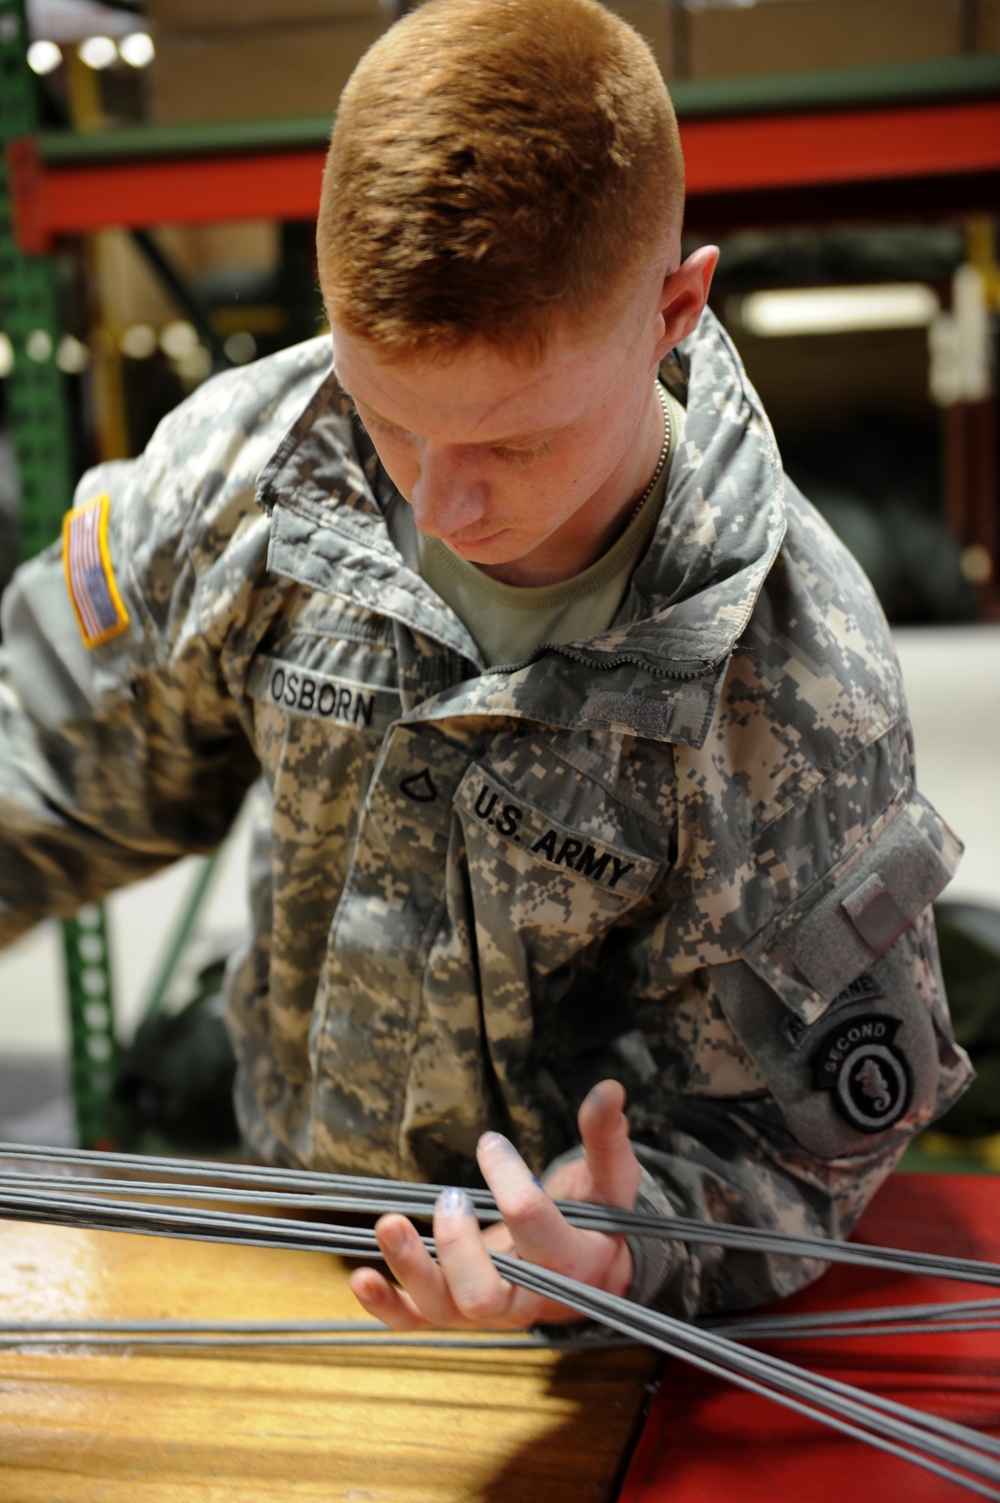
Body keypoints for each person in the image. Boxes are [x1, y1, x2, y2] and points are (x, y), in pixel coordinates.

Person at [0, 0, 970, 1332]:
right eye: (392, 417)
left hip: (591, 1344)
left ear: (674, 310)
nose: (439, 509)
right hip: (292, 1270)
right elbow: (46, 771)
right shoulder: (258, 473)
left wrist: (618, 1254)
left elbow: (802, 1137)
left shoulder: (794, 678)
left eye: (515, 445)